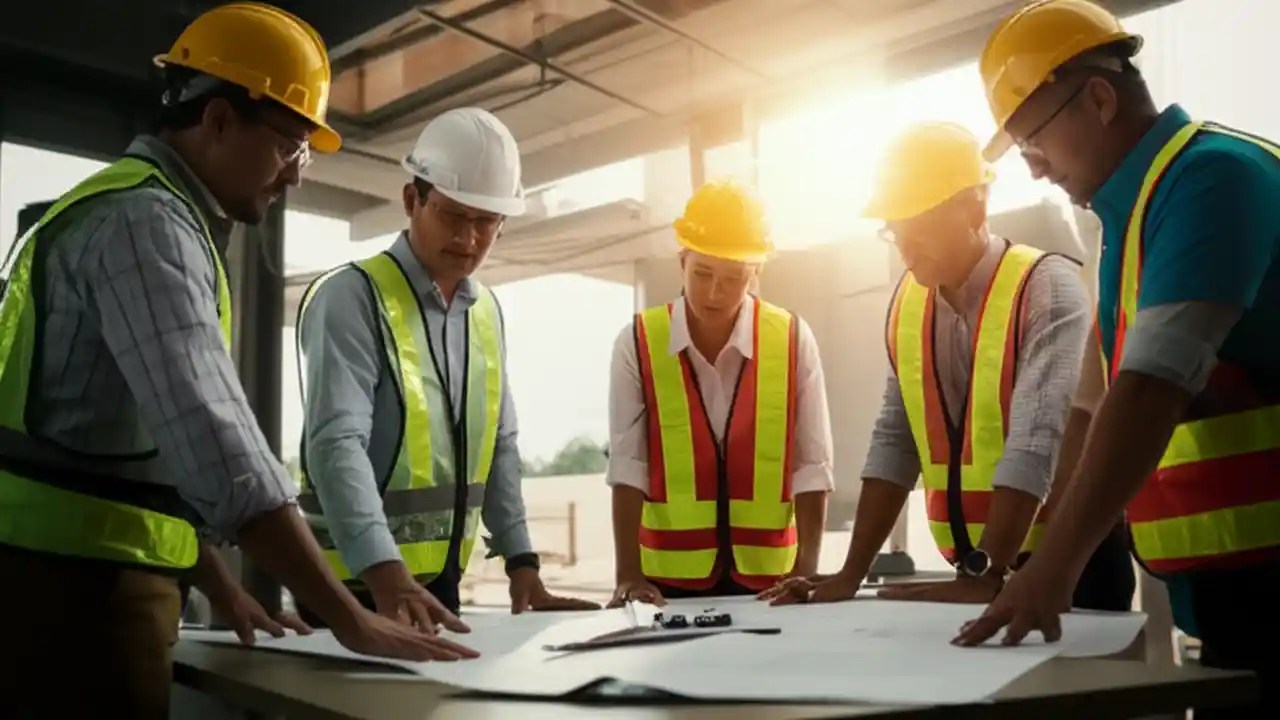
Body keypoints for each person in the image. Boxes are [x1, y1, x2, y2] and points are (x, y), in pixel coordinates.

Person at [0, 4, 477, 718]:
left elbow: (122, 452)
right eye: (290, 146)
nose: (296, 176)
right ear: (219, 121)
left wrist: (218, 583)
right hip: (74, 595)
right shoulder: (146, 227)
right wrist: (346, 615)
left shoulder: (147, 216)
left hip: (80, 576)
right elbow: (219, 448)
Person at [954, 1, 1280, 716]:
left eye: (1033, 142)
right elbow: (1096, 405)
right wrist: (1017, 565)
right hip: (1237, 600)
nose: (1034, 171)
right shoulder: (1131, 218)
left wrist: (1056, 574)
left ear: (1098, 98)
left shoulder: (1213, 178)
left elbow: (1148, 390)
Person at [759, 121, 1133, 611]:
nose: (907, 250)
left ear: (975, 207)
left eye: (921, 229)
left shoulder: (1047, 288)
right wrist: (850, 574)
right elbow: (896, 439)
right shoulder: (908, 305)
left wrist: (988, 572)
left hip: (1070, 568)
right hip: (978, 571)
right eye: (896, 233)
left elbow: (1037, 437)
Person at [296, 107, 599, 627]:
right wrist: (386, 575)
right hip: (354, 587)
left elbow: (500, 445)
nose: (469, 238)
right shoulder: (351, 297)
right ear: (412, 200)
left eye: (486, 222)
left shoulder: (484, 313)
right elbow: (335, 444)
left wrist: (521, 563)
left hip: (437, 586)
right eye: (453, 216)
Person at [605, 180, 834, 607]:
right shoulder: (637, 342)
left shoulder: (792, 339)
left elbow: (812, 463)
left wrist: (807, 568)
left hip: (773, 582)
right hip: (665, 586)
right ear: (681, 261)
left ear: (756, 273)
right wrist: (628, 575)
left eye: (734, 278)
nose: (715, 292)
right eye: (702, 273)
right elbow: (628, 463)